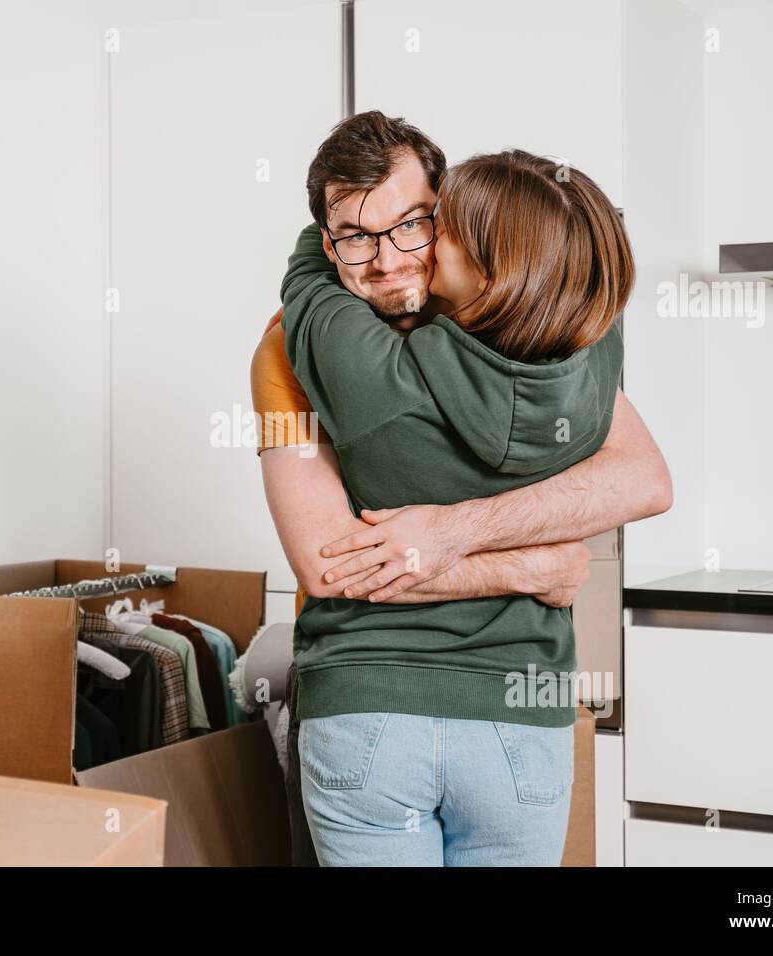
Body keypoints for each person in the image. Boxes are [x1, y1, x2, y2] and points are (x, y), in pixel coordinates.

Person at [252, 112, 670, 866]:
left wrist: (453, 531)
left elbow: (645, 476)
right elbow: (324, 563)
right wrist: (528, 564)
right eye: (356, 236)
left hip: (375, 712)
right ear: (330, 242)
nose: (385, 261)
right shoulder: (570, 338)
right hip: (514, 713)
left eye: (412, 224)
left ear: (448, 221)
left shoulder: (305, 344)